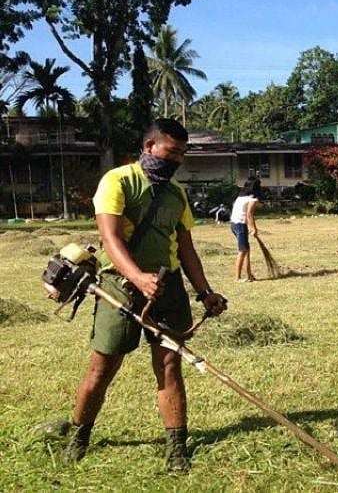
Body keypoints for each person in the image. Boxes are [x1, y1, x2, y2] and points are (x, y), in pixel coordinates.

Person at [63, 119, 227, 472]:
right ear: (150, 146)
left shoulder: (176, 193)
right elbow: (111, 239)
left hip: (167, 289)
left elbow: (186, 249)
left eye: (183, 153)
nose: (178, 159)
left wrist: (205, 292)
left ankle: (176, 448)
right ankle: (78, 437)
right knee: (102, 367)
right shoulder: (118, 180)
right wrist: (138, 278)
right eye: (172, 151)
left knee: (169, 365)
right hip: (119, 287)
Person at [230, 177, 262, 282]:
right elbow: (249, 215)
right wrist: (254, 229)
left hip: (234, 224)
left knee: (246, 250)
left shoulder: (240, 197)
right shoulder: (252, 199)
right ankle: (237, 278)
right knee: (243, 251)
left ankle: (249, 276)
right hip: (240, 225)